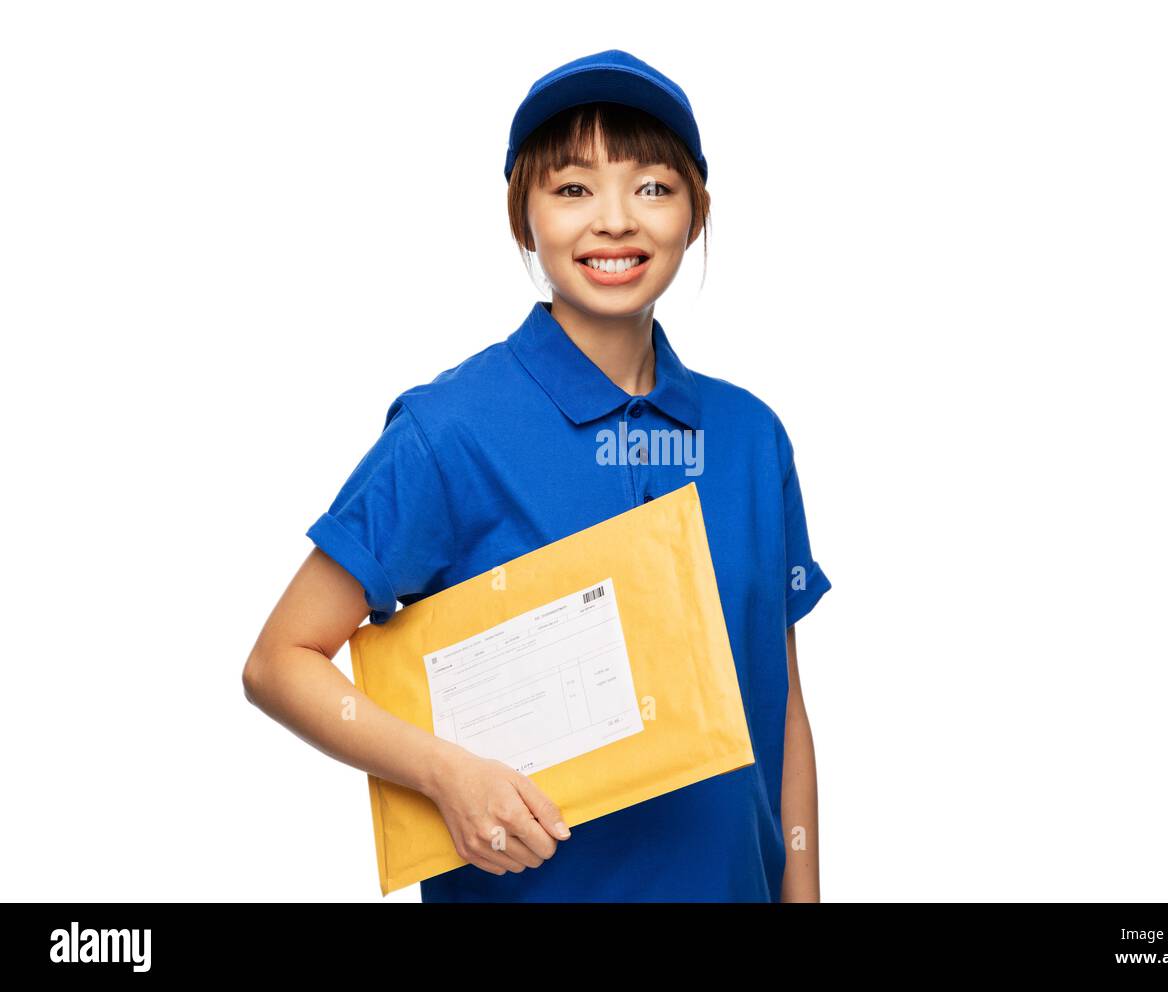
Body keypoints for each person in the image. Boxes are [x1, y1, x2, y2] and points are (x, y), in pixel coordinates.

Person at [243, 49, 832, 902]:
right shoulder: (449, 431)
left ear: (694, 216)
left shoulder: (750, 436)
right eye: (573, 189)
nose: (616, 221)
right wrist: (442, 772)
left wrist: (804, 889)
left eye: (654, 188)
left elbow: (782, 707)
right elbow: (279, 662)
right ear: (524, 218)